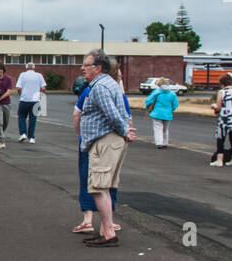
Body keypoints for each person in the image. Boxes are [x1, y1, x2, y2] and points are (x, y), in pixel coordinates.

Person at [77, 49, 135, 245]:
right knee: (105, 187)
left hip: (105, 141)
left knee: (98, 187)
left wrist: (124, 131)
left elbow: (113, 114)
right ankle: (104, 229)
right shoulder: (110, 84)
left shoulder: (100, 87)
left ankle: (109, 232)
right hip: (109, 140)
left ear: (98, 68)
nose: (82, 68)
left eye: (86, 65)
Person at [72, 71, 129, 234]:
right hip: (116, 142)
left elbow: (77, 114)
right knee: (109, 182)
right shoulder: (119, 94)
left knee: (91, 182)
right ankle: (108, 223)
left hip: (95, 142)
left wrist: (81, 136)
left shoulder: (92, 90)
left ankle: (89, 220)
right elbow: (126, 118)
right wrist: (125, 133)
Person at [210, 73, 232, 166]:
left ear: (222, 83)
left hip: (226, 118)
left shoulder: (222, 92)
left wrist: (213, 106)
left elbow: (219, 106)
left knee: (221, 138)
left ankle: (219, 160)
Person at [15, 62, 47, 143]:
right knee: (33, 119)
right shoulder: (39, 75)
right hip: (35, 100)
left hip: (24, 99)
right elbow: (43, 88)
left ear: (26, 68)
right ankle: (31, 137)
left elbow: (18, 88)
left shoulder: (22, 75)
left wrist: (21, 95)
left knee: (22, 116)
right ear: (34, 68)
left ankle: (23, 133)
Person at [143, 77, 179, 148]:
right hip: (167, 114)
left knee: (158, 128)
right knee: (165, 129)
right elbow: (175, 104)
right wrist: (170, 110)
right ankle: (165, 143)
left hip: (157, 113)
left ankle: (159, 143)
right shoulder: (172, 94)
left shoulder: (156, 92)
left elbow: (148, 100)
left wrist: (148, 106)